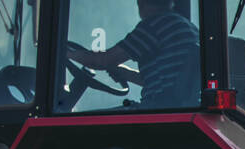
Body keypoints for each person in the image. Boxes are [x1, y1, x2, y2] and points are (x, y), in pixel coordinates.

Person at [72, 0, 200, 108]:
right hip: (172, 105)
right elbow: (166, 82)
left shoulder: (154, 25)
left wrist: (65, 54)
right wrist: (122, 72)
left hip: (158, 107)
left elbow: (101, 61)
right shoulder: (186, 26)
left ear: (141, 3)